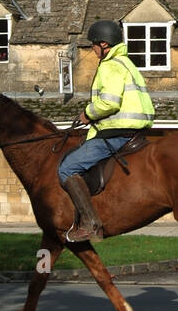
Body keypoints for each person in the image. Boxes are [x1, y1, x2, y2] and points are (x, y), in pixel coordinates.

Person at [58, 20, 155, 242]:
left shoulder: (110, 65)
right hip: (133, 132)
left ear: (104, 44)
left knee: (67, 167)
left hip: (117, 132)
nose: (92, 50)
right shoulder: (127, 63)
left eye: (93, 45)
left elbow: (109, 102)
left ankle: (91, 224)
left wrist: (87, 114)